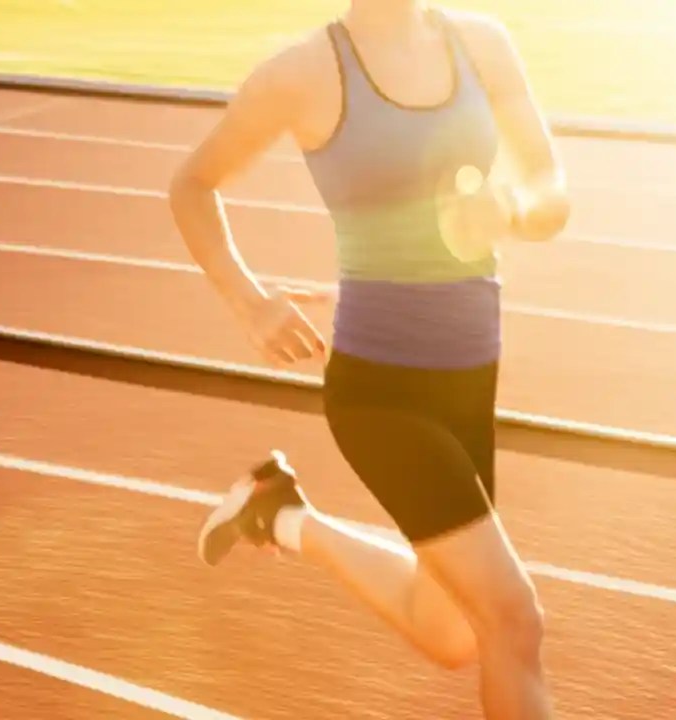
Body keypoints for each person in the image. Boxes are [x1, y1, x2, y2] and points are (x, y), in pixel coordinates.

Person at [171, 2, 569, 717]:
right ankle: (281, 513)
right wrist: (250, 302)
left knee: (450, 632)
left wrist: (511, 209)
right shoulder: (304, 74)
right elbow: (192, 185)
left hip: (471, 377)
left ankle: (281, 515)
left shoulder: (481, 44)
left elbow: (551, 189)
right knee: (514, 620)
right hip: (381, 391)